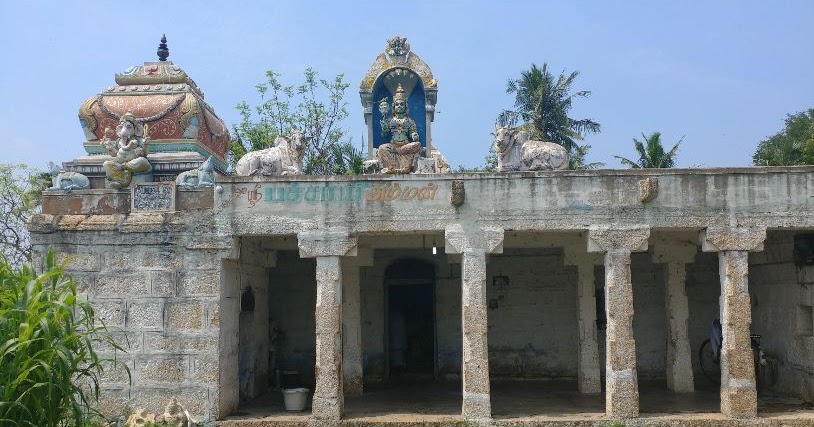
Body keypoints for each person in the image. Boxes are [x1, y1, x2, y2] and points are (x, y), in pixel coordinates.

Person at [376, 84, 422, 173]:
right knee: (382, 148)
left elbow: (413, 133)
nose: (399, 106)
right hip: (393, 145)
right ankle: (392, 168)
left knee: (417, 145)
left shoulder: (409, 121)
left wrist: (414, 135)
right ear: (394, 106)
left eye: (401, 104)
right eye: (397, 104)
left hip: (405, 146)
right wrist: (384, 127)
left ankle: (401, 160)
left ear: (405, 106)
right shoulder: (389, 120)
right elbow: (384, 134)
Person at [101, 112, 152, 188]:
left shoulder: (138, 140)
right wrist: (108, 148)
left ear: (136, 129)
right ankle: (121, 182)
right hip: (120, 163)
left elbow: (144, 154)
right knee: (106, 164)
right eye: (122, 127)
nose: (125, 130)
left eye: (129, 127)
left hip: (132, 164)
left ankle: (123, 168)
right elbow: (115, 154)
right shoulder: (119, 141)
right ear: (119, 129)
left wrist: (145, 145)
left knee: (142, 161)